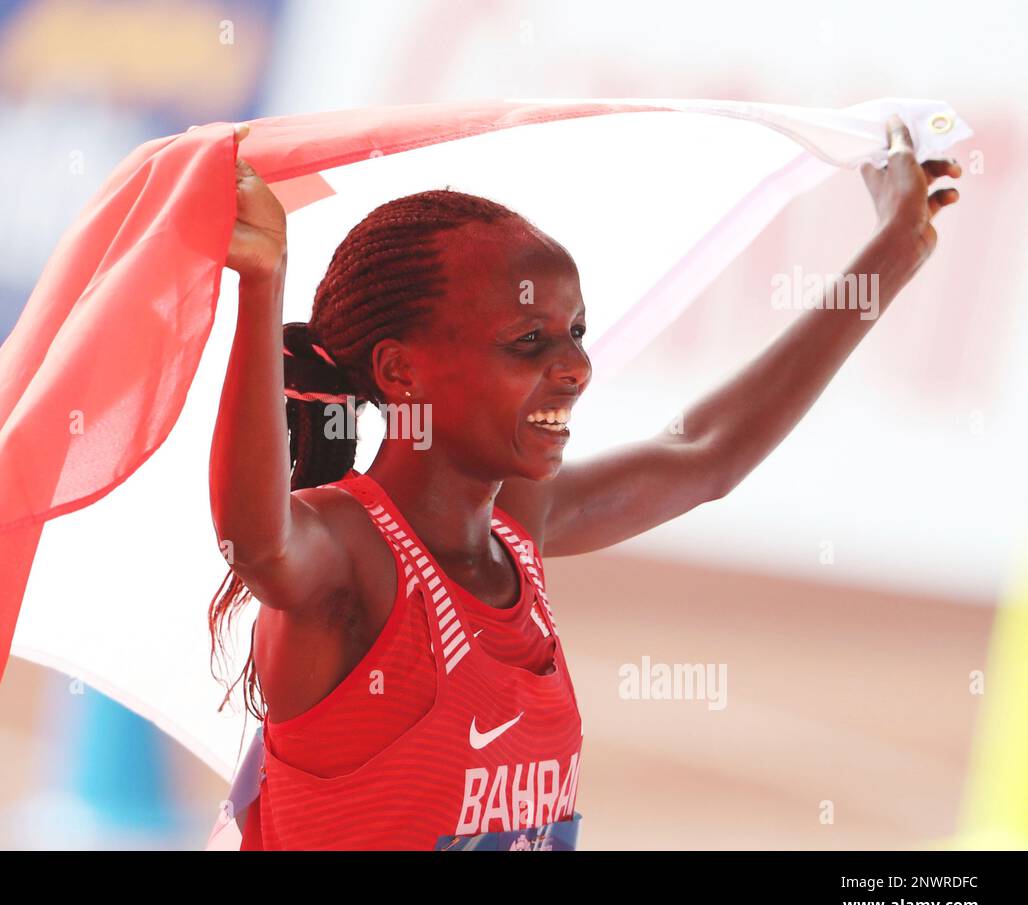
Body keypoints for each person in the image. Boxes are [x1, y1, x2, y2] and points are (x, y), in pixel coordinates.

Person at [207, 117, 960, 850]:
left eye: (576, 333)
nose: (575, 368)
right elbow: (255, 542)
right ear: (401, 372)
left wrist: (900, 241)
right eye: (529, 341)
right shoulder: (347, 556)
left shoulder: (515, 535)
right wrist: (262, 281)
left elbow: (708, 452)